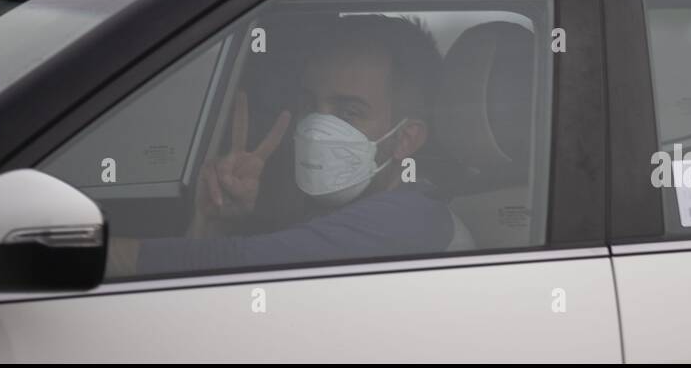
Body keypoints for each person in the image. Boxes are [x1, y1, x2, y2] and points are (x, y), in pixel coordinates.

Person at [107, 15, 456, 276]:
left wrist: (70, 258)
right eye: (311, 104)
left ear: (405, 138)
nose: (317, 127)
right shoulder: (333, 213)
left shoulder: (412, 219)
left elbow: (235, 266)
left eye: (349, 111)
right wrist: (211, 222)